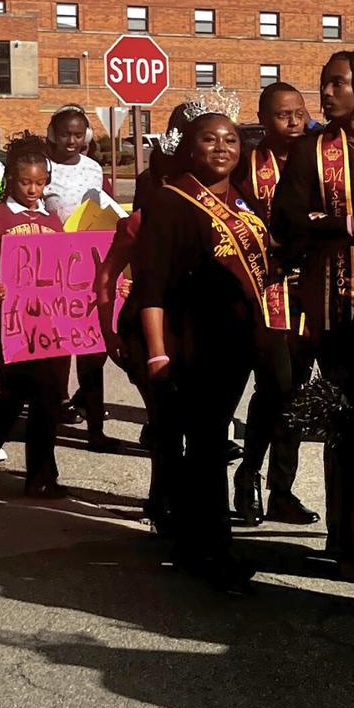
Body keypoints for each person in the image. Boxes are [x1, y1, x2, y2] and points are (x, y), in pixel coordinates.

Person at [123, 109, 283, 593]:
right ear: (189, 149)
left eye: (230, 140)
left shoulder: (242, 202)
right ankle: (213, 549)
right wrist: (155, 353)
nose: (222, 148)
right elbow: (150, 286)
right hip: (186, 342)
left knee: (208, 443)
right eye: (210, 140)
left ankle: (193, 540)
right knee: (208, 445)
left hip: (232, 342)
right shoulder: (169, 203)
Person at [271, 51, 354, 583]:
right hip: (336, 302)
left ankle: (353, 530)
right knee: (347, 422)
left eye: (338, 84)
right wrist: (350, 223)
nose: (326, 94)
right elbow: (287, 217)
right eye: (325, 84)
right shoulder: (311, 149)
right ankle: (344, 540)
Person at [230, 83, 317, 527]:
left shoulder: (321, 158)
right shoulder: (247, 164)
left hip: (311, 291)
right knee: (275, 387)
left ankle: (282, 490)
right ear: (264, 119)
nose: (295, 121)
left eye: (300, 112)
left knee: (298, 393)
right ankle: (249, 475)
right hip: (265, 291)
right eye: (284, 114)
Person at [0, 142, 71, 499]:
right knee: (11, 399)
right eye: (26, 183)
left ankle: (41, 476)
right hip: (13, 323)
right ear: (12, 180)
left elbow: (66, 267)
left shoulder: (51, 219)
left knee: (48, 402)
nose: (33, 190)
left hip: (50, 325)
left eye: (40, 183)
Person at [40, 106, 113, 447]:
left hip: (88, 265)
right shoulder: (42, 167)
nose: (71, 140)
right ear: (53, 133)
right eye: (65, 133)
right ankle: (52, 418)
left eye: (78, 134)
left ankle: (96, 430)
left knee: (92, 352)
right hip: (50, 266)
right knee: (56, 353)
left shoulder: (94, 169)